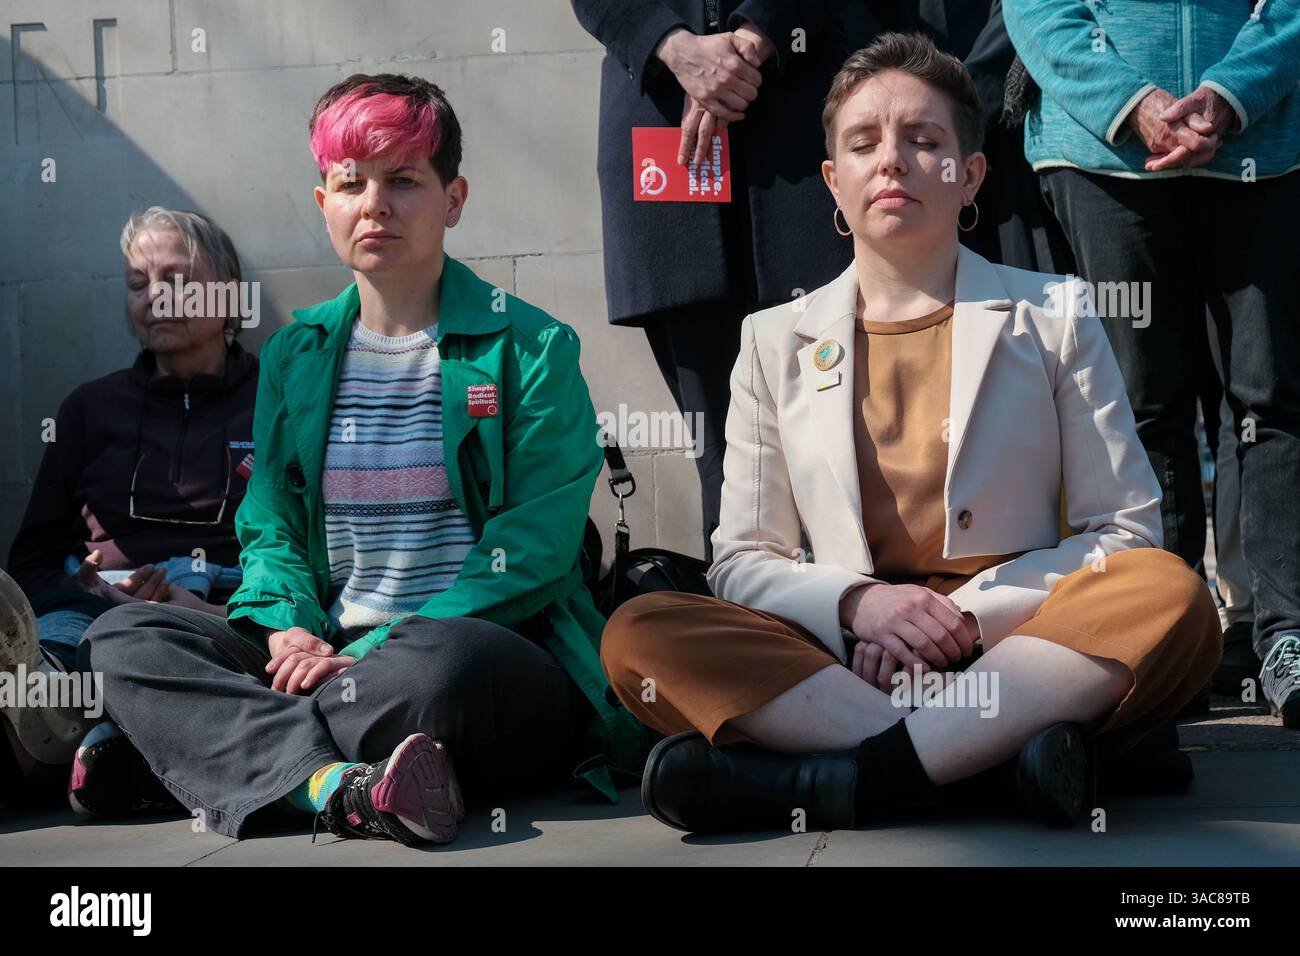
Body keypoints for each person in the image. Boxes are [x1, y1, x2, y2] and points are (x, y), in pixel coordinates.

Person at [599, 33, 1222, 834]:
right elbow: (745, 560)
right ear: (834, 180)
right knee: (641, 632)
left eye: (925, 141)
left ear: (972, 176)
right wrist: (861, 603)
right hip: (844, 660)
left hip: (1020, 647)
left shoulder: (1053, 313)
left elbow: (1125, 531)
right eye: (864, 143)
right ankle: (993, 762)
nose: (891, 160)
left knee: (1170, 593)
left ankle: (854, 776)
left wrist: (959, 620)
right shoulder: (771, 338)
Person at [79, 74, 650, 847]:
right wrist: (285, 629)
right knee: (121, 639)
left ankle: (215, 752)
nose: (374, 203)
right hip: (326, 651)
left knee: (441, 671)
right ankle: (333, 784)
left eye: (404, 180)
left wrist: (376, 648)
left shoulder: (532, 346)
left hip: (470, 651)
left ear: (454, 199)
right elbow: (271, 524)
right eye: (350, 183)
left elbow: (535, 550)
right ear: (325, 206)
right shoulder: (297, 352)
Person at [1003, 0, 1300, 728]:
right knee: (1139, 405)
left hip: (1265, 152)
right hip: (1103, 160)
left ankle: (1285, 636)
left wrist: (1233, 93)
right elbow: (1037, 8)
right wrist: (1131, 101)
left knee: (1273, 403)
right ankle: (1167, 640)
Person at [571, 0, 885, 559]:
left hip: (800, 128)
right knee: (723, 457)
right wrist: (673, 46)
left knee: (840, 429)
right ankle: (743, 618)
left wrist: (757, 34)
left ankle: (861, 613)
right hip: (666, 134)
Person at [0, 207, 256, 809]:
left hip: (226, 604)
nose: (155, 297)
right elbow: (32, 562)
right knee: (69, 639)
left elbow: (306, 548)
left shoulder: (278, 397)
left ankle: (96, 734)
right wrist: (85, 590)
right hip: (94, 605)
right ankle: (52, 704)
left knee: (136, 644)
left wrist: (210, 605)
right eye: (139, 283)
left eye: (176, 279)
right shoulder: (90, 408)